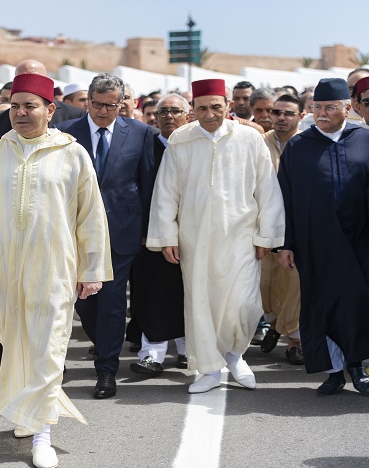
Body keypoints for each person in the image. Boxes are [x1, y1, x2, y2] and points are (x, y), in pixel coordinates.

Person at [0, 72, 112, 468]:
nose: (21, 113)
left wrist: (92, 268)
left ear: (50, 110)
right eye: (16, 105)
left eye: (31, 105)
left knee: (48, 346)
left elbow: (90, 216)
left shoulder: (72, 153)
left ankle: (42, 431)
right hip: (5, 269)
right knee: (17, 342)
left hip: (55, 268)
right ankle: (28, 411)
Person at [146, 78, 285, 394]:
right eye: (202, 108)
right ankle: (208, 368)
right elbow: (166, 193)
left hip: (242, 240)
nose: (209, 114)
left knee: (245, 305)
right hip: (195, 240)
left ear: (229, 105)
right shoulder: (181, 140)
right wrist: (167, 235)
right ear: (192, 109)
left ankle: (235, 356)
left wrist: (266, 236)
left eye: (216, 107)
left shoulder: (250, 139)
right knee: (201, 305)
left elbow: (267, 190)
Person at [56, 73, 155, 399]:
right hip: (74, 234)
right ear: (88, 101)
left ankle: (106, 370)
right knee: (84, 303)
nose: (102, 111)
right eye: (96, 104)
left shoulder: (139, 133)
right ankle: (104, 345)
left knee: (112, 302)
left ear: (122, 103)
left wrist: (144, 232)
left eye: (110, 106)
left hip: (120, 234)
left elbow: (146, 184)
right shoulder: (67, 133)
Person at [277, 78, 369, 396]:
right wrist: (286, 244)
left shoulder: (364, 141)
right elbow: (284, 199)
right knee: (320, 304)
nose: (322, 113)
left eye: (330, 107)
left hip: (360, 242)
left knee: (357, 303)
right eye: (317, 107)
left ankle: (358, 366)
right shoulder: (299, 146)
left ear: (348, 108)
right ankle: (333, 373)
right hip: (314, 242)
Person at [128, 94, 190, 376]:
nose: (167, 116)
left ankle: (189, 350)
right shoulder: (144, 146)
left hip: (192, 236)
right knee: (152, 295)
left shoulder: (196, 146)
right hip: (151, 238)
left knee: (189, 293)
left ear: (187, 116)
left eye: (175, 111)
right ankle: (152, 354)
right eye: (162, 111)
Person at [259, 94, 304, 365]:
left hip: (297, 228)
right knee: (266, 285)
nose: (282, 118)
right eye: (277, 112)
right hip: (264, 227)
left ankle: (293, 342)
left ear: (300, 116)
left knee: (294, 285)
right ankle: (274, 324)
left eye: (289, 113)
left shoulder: (308, 144)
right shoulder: (258, 142)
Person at [0, 61, 84, 142]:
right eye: (22, 79)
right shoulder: (0, 120)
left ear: (50, 111)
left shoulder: (75, 115)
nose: (28, 83)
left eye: (30, 107)